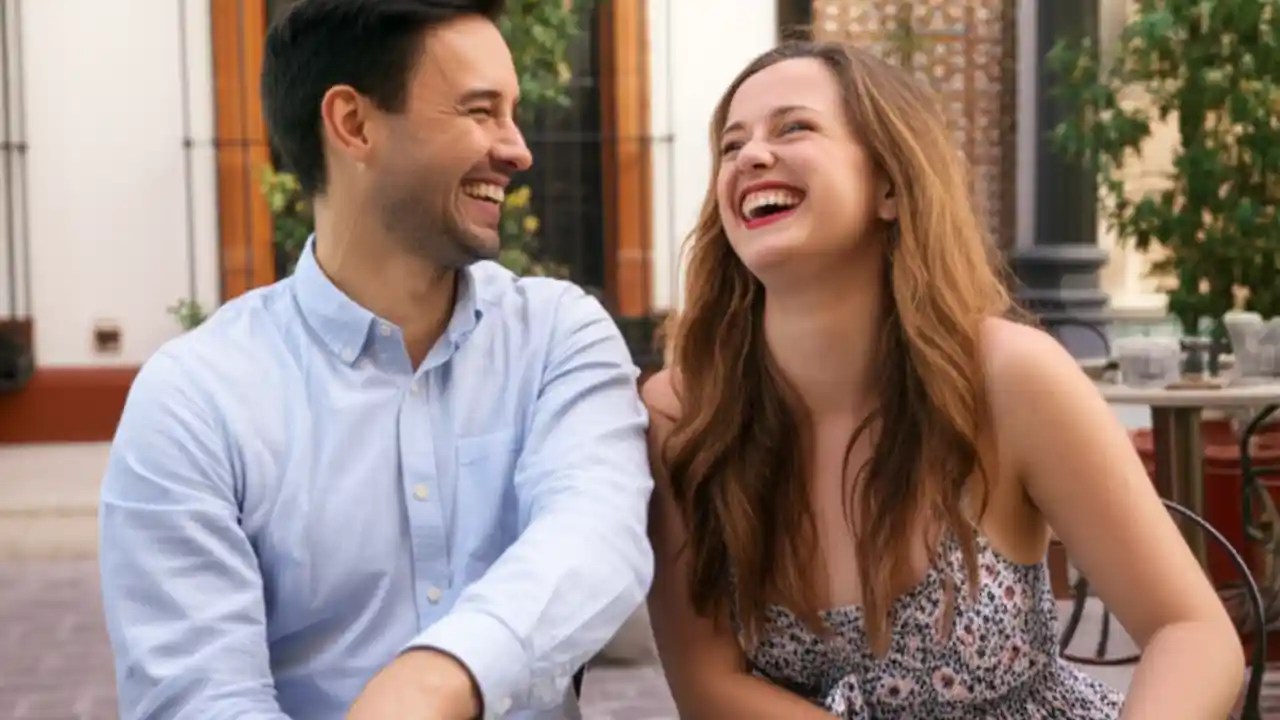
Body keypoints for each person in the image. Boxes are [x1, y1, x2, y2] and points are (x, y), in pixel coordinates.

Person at [642, 40, 1244, 719]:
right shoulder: (682, 412)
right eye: (731, 145)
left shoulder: (1009, 377)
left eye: (794, 127)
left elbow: (1192, 633)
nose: (751, 156)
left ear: (891, 187)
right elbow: (707, 686)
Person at [98, 1, 654, 718]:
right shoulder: (196, 398)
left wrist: (439, 677)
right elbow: (199, 696)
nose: (518, 149)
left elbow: (596, 535)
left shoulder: (557, 338)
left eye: (512, 113)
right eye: (481, 111)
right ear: (353, 124)